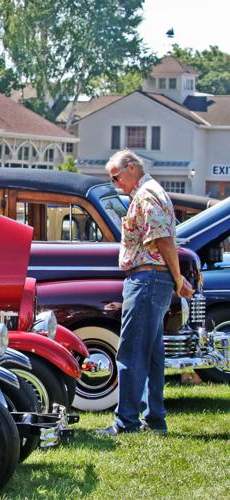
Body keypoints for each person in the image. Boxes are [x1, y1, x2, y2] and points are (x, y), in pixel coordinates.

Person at [99, 150, 194, 437]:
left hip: (147, 278)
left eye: (116, 176)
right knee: (152, 354)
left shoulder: (146, 195)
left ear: (131, 168)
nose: (116, 183)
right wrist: (174, 279)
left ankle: (126, 422)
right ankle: (155, 419)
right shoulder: (150, 193)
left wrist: (178, 278)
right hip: (153, 279)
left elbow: (162, 239)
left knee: (131, 352)